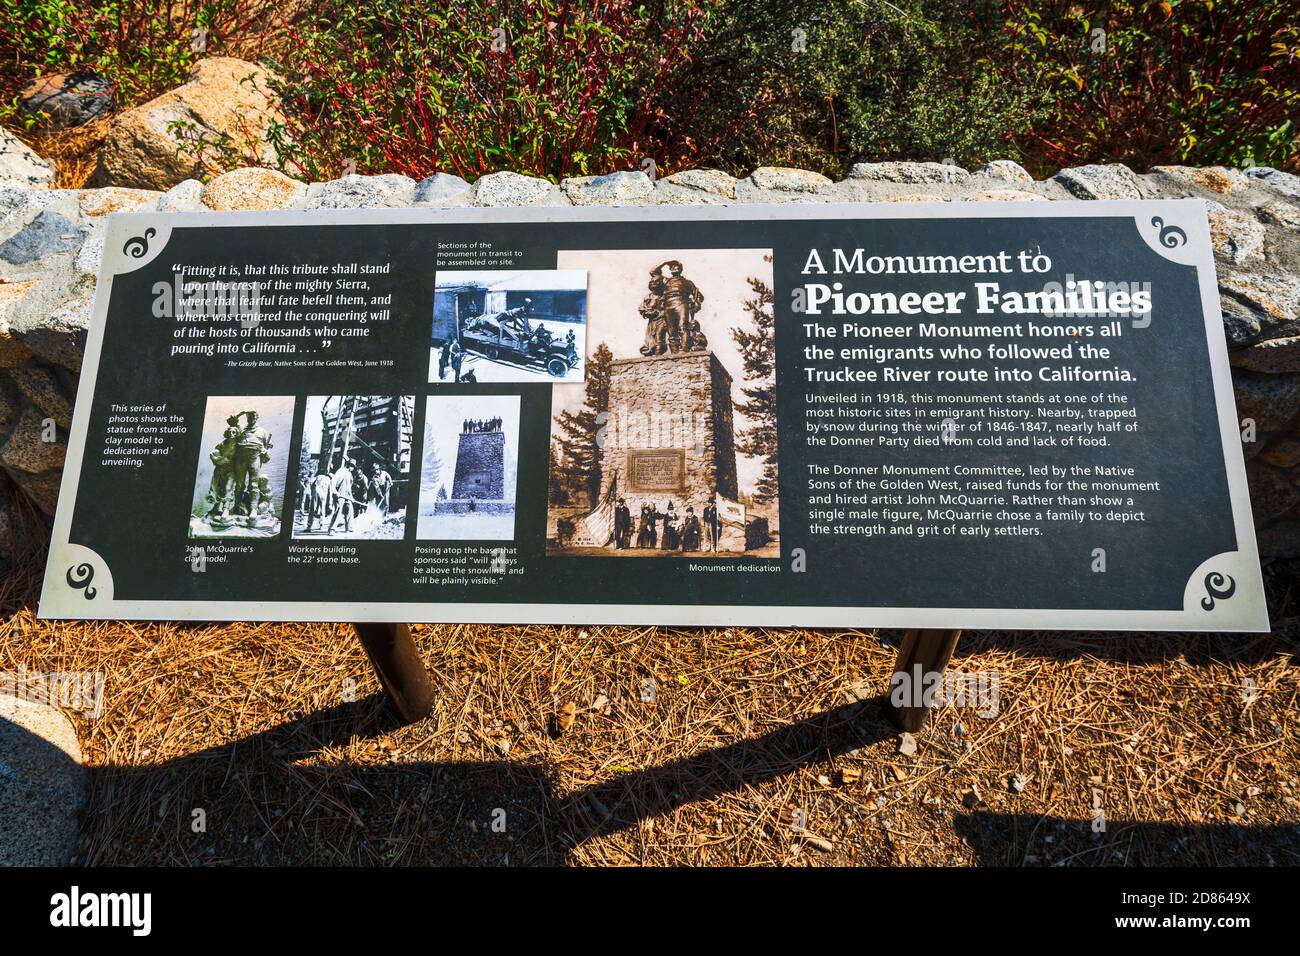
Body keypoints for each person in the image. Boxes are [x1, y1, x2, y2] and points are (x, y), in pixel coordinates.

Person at [326, 459, 358, 534]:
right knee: (338, 510)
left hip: (347, 494)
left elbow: (349, 487)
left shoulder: (349, 474)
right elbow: (333, 481)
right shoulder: (341, 471)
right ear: (349, 465)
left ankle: (348, 528)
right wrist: (335, 492)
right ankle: (332, 529)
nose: (353, 469)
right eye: (352, 467)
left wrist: (351, 497)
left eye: (353, 467)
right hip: (340, 493)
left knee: (350, 510)